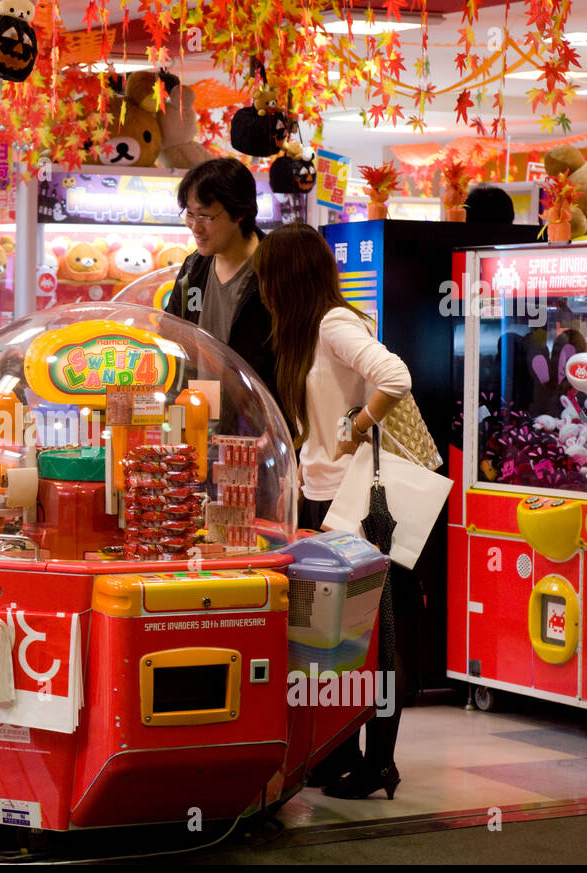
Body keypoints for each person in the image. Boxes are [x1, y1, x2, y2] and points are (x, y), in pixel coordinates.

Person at [255, 222, 416, 800]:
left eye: (268, 277)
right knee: (333, 637)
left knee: (375, 634)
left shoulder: (334, 323)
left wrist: (354, 428)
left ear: (288, 278)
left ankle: (381, 762)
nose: (263, 288)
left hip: (359, 499)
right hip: (321, 496)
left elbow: (395, 375)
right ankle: (339, 749)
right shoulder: (303, 332)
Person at [166, 157, 276, 398]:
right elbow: (171, 332)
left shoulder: (275, 268)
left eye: (206, 216)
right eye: (190, 215)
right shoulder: (193, 268)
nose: (195, 227)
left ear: (239, 213)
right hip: (196, 415)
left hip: (258, 421)